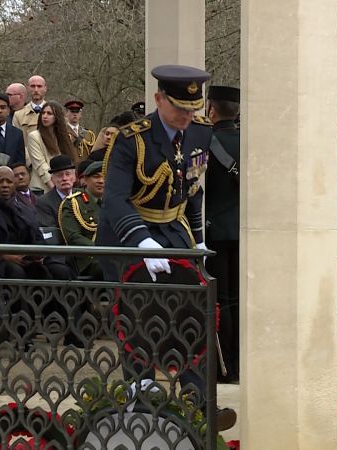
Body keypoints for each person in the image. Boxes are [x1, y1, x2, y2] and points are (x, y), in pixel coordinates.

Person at [96, 65, 236, 431]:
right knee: (138, 314)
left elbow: (193, 187)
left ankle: (197, 398)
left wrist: (198, 239)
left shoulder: (201, 131)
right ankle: (140, 396)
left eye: (192, 109)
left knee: (191, 311)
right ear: (159, 100)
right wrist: (142, 242)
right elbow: (114, 200)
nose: (187, 116)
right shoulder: (131, 139)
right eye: (179, 108)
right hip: (127, 234)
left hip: (173, 229)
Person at [204, 85, 241, 384]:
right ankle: (243, 361)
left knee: (223, 300)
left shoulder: (205, 143)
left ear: (211, 110)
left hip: (214, 230)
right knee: (241, 298)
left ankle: (225, 366)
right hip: (246, 232)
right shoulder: (251, 143)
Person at [0, 166, 73, 280]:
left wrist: (36, 254)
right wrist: (4, 256)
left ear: (14, 185)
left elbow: (38, 238)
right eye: (0, 182)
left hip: (28, 257)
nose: (5, 185)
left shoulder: (25, 209)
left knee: (61, 271)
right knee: (16, 271)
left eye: (9, 182)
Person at [59, 160, 104, 279]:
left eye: (105, 177)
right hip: (88, 259)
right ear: (85, 180)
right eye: (96, 177)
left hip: (112, 255)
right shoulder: (73, 203)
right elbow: (73, 236)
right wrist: (102, 250)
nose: (101, 181)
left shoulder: (111, 203)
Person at [27, 102, 77, 193]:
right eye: (43, 113)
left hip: (63, 185)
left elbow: (70, 162)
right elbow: (41, 166)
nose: (45, 116)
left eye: (49, 113)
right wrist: (55, 189)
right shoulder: (34, 136)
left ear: (57, 117)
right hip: (43, 187)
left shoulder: (64, 137)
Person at [35, 155, 77, 229]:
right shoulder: (44, 202)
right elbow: (51, 230)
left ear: (74, 177)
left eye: (68, 174)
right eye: (60, 175)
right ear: (52, 179)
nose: (64, 178)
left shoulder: (82, 195)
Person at [13, 75, 49, 151]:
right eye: (33, 86)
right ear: (28, 88)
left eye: (39, 86)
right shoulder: (18, 115)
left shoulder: (55, 112)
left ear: (45, 88)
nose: (36, 90)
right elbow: (15, 142)